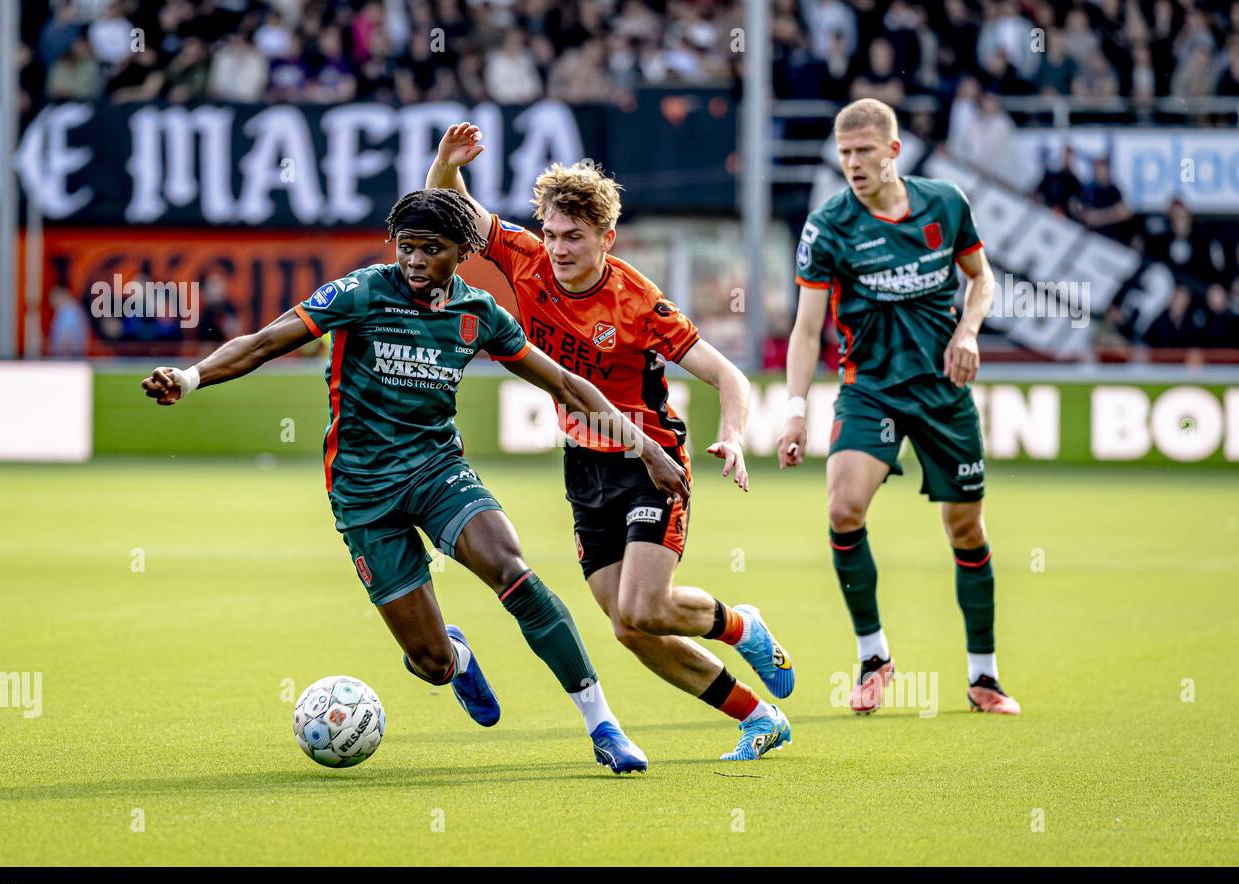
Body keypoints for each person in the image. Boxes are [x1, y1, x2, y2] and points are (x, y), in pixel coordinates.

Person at [141, 188, 690, 774]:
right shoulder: (361, 292)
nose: (416, 262)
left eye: (433, 250)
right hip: (362, 493)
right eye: (407, 248)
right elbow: (267, 341)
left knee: (513, 571)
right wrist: (191, 377)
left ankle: (602, 724)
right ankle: (454, 654)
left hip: (436, 470)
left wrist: (646, 447)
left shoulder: (478, 314)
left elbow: (564, 384)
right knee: (430, 662)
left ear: (461, 253)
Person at [426, 124, 794, 762]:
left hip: (651, 464)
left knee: (644, 605)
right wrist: (445, 163)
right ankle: (759, 717)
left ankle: (741, 626)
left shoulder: (639, 304)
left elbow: (726, 374)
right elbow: (446, 212)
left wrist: (732, 436)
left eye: (574, 237)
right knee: (628, 627)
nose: (559, 249)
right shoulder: (526, 257)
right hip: (584, 466)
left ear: (606, 238)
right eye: (552, 233)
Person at [777, 98, 1021, 716]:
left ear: (893, 151)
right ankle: (873, 656)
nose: (853, 164)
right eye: (844, 154)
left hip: (942, 390)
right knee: (842, 508)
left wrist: (967, 332)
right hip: (871, 387)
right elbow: (807, 330)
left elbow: (982, 278)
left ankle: (984, 677)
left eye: (863, 152)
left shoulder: (945, 203)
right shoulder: (828, 225)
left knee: (965, 529)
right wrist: (796, 408)